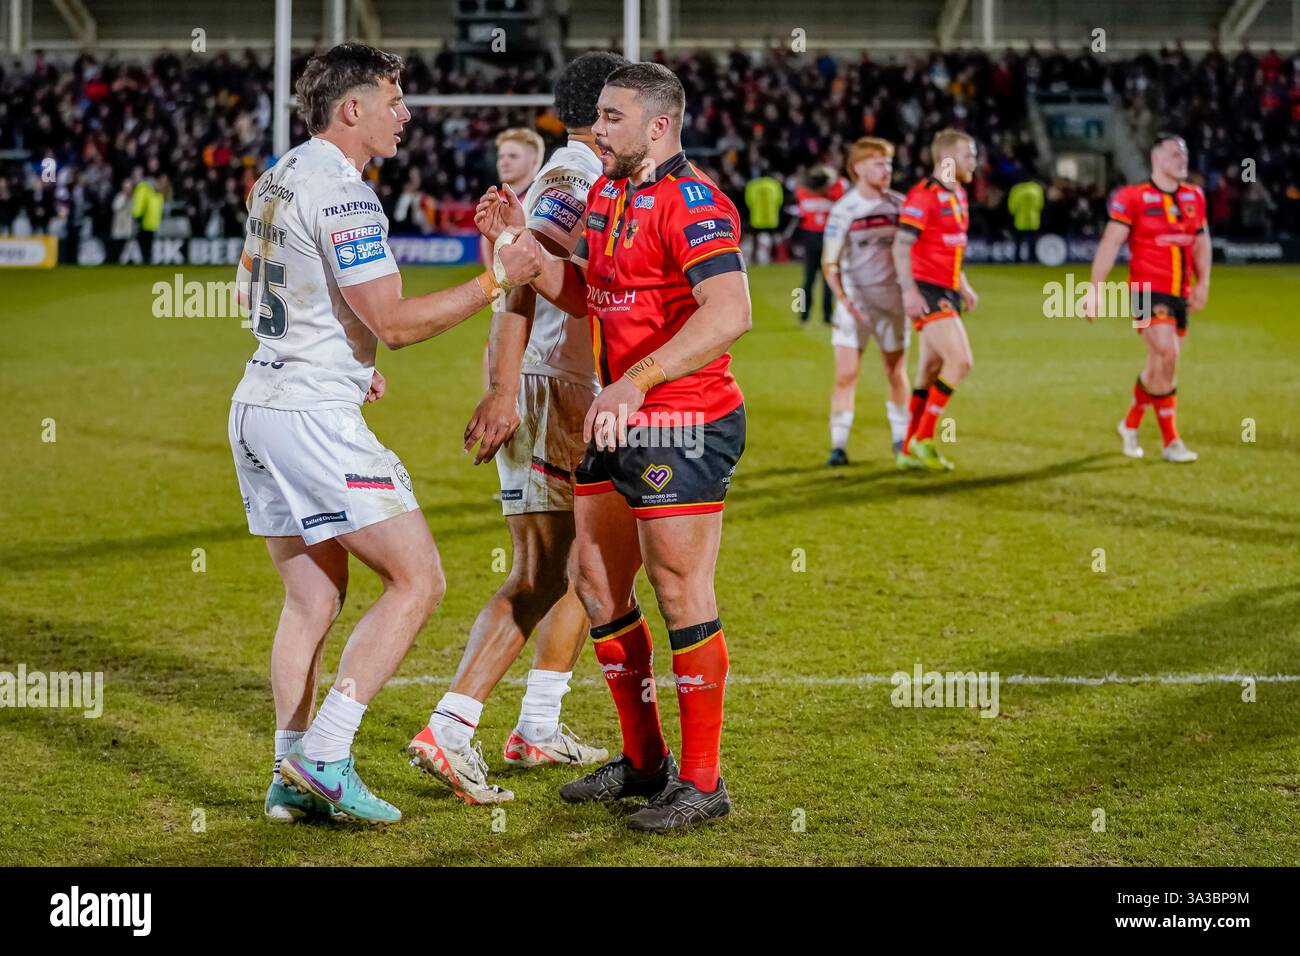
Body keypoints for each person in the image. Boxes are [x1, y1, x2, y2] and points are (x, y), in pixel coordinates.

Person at [229, 43, 541, 824]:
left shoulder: (278, 176)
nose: (407, 115)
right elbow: (397, 325)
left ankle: (286, 774)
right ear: (353, 109)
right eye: (395, 101)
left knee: (312, 599)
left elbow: (249, 281)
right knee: (419, 579)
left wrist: (336, 350)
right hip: (310, 416)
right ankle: (328, 757)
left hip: (260, 402)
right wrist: (501, 277)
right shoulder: (344, 192)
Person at [478, 62, 752, 831]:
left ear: (659, 125)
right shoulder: (608, 193)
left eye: (613, 116)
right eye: (599, 116)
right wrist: (525, 256)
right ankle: (644, 764)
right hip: (615, 415)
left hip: (681, 417)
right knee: (597, 585)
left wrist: (639, 379)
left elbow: (730, 311)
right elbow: (588, 290)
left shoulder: (694, 202)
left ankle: (702, 783)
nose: (598, 129)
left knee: (678, 592)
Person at [406, 52, 628, 805]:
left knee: (579, 568)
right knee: (541, 571)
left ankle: (536, 725)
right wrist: (502, 391)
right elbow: (522, 272)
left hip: (567, 387)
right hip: (549, 391)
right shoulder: (572, 174)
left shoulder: (589, 173)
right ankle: (451, 726)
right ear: (602, 112)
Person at [1084, 133, 1208, 463]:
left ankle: (1130, 424)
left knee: (1159, 365)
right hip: (1144, 293)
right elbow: (1110, 244)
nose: (1182, 159)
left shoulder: (1195, 196)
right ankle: (1171, 442)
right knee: (1167, 353)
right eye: (1174, 154)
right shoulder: (1132, 197)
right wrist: (1095, 289)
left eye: (1184, 153)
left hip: (1179, 293)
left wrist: (1204, 282)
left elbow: (1200, 242)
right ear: (1156, 159)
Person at [892, 129, 980, 472]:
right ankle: (923, 438)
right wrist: (909, 292)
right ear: (948, 159)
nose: (974, 161)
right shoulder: (923, 196)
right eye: (969, 155)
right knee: (960, 362)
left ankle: (907, 448)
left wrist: (964, 285)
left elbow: (950, 247)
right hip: (927, 291)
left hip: (945, 289)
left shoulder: (959, 194)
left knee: (929, 370)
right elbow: (901, 246)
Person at [821, 138, 910, 466]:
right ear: (857, 168)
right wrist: (844, 301)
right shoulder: (844, 209)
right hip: (854, 306)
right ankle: (838, 446)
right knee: (846, 374)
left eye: (888, 163)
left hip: (892, 305)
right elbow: (829, 262)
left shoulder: (901, 205)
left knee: (896, 372)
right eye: (878, 163)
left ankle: (902, 440)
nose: (886, 169)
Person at [794, 165, 845, 325]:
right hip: (828, 240)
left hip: (810, 239)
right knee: (828, 280)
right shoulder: (836, 194)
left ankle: (803, 315)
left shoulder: (803, 194)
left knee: (808, 280)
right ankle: (827, 316)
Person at [744, 164, 783, 266]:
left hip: (757, 218)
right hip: (772, 218)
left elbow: (748, 201)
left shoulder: (752, 185)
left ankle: (754, 258)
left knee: (755, 240)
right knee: (773, 238)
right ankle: (775, 257)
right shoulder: (775, 184)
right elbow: (779, 201)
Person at [1007, 175, 1043, 262]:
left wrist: (1014, 213)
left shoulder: (1016, 189)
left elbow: (1012, 206)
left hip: (1020, 219)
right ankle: (1033, 258)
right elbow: (1040, 204)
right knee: (1033, 241)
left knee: (1018, 241)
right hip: (1034, 220)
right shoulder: (1037, 188)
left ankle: (1017, 259)